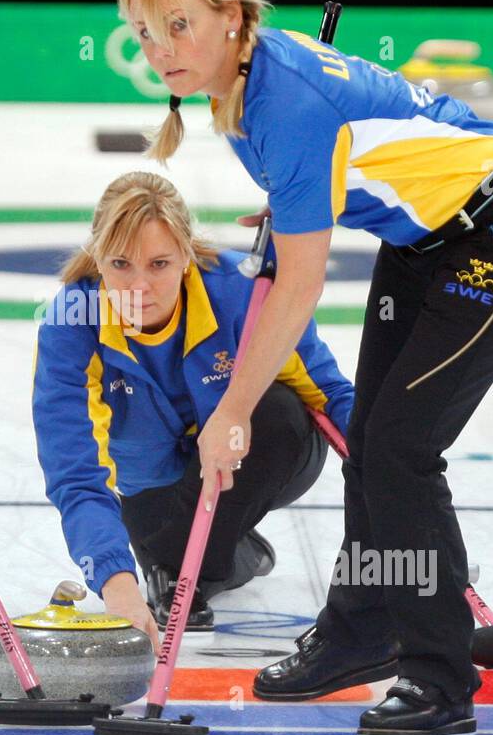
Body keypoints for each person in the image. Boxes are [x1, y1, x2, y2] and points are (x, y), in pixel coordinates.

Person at [116, 0, 493, 735]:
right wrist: (300, 205)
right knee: (371, 436)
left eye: (178, 25)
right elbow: (353, 158)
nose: (161, 51)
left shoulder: (282, 101)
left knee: (400, 446)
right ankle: (362, 630)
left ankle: (438, 677)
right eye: (148, 33)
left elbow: (298, 288)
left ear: (232, 16)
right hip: (421, 238)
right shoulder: (241, 85)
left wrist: (235, 410)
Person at [32, 171, 353, 649]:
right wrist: (117, 587)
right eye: (120, 264)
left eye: (159, 263)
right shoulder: (72, 323)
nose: (139, 286)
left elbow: (329, 393)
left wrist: (405, 498)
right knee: (161, 549)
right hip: (156, 486)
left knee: (279, 412)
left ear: (186, 254)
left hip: (255, 457)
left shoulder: (243, 291)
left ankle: (194, 561)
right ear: (97, 257)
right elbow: (75, 472)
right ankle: (214, 556)